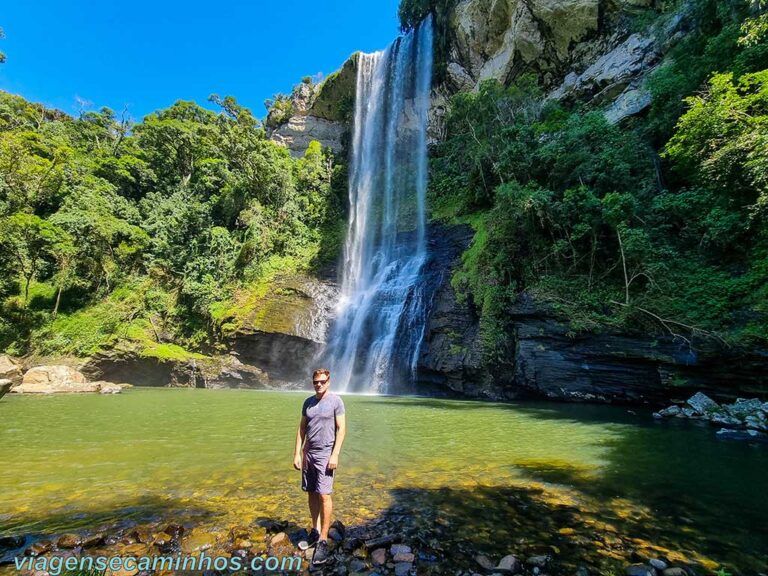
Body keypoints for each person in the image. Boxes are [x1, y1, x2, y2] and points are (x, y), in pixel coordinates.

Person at [293, 368, 346, 565]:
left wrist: (335, 454)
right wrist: (297, 453)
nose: (319, 384)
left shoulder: (336, 401)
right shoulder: (308, 402)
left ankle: (323, 539)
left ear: (328, 382)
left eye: (322, 381)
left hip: (325, 454)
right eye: (316, 382)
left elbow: (342, 428)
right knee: (311, 493)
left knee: (324, 495)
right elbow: (301, 429)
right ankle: (314, 531)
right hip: (309, 453)